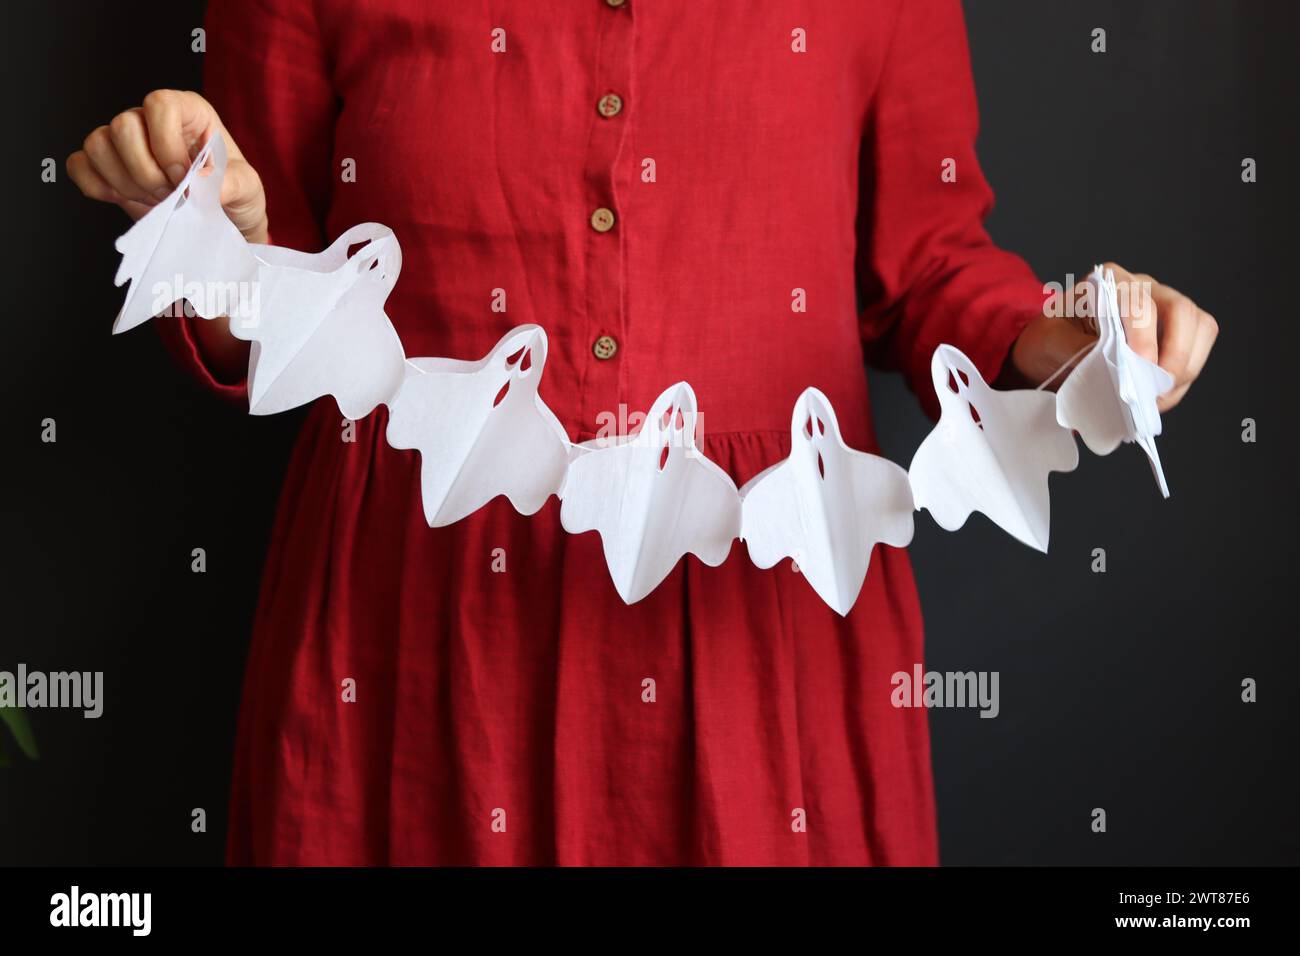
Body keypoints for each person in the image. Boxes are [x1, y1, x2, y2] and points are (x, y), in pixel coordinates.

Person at [66, 0, 1217, 865]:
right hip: (416, 624)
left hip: (764, 619)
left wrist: (1079, 339)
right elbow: (278, 308)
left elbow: (927, 263)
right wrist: (208, 238)